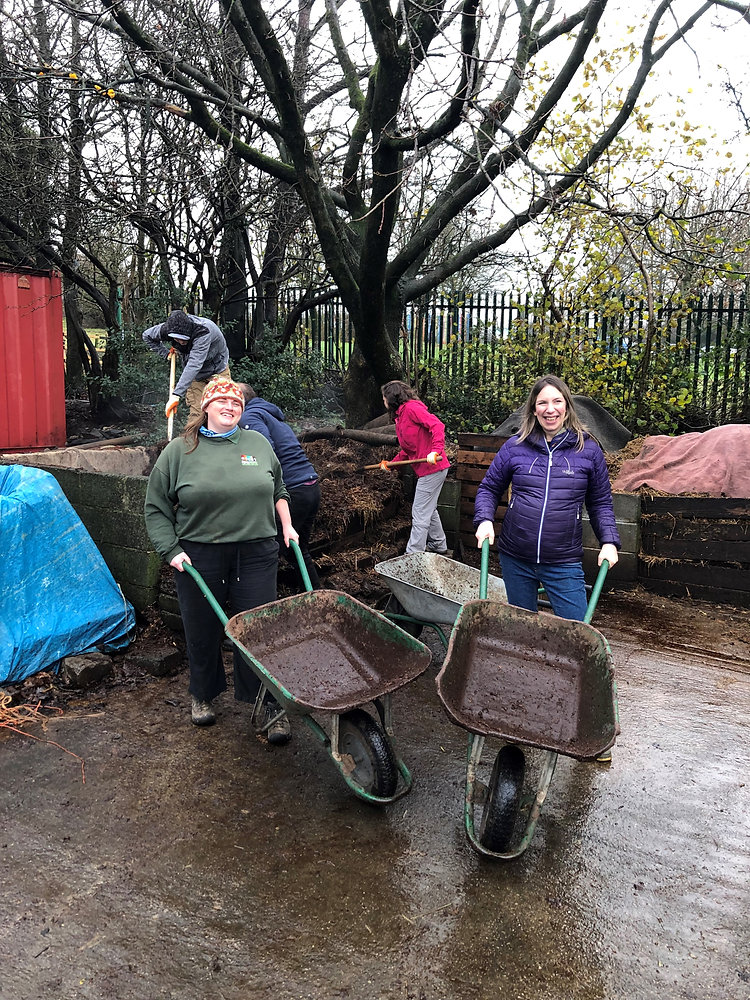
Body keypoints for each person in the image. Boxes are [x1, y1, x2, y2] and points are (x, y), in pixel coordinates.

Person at [144, 376, 299, 745]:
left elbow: (279, 488)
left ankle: (268, 703)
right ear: (207, 407)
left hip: (257, 551)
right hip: (199, 554)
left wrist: (288, 526)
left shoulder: (258, 443)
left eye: (236, 404)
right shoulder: (179, 451)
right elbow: (156, 508)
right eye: (223, 402)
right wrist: (171, 550)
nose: (230, 408)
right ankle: (202, 693)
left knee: (258, 630)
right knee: (201, 628)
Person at [473, 375, 620, 761]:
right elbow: (488, 488)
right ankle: (524, 708)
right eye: (542, 403)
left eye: (556, 402)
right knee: (522, 633)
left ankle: (592, 728)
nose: (549, 409)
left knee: (580, 637)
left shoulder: (588, 452)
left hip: (563, 561)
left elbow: (602, 503)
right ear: (533, 409)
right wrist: (485, 519)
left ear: (567, 406)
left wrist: (609, 540)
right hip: (516, 557)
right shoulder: (515, 447)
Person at [237, 384, 321, 590]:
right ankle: (315, 596)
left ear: (240, 401)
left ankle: (261, 601)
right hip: (310, 486)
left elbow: (265, 451)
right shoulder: (268, 414)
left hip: (291, 490)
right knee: (297, 550)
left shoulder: (249, 417)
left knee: (266, 551)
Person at [379, 380, 451, 555]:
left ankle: (412, 554)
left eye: (383, 397)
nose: (383, 401)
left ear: (391, 397)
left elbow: (437, 426)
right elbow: (408, 449)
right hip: (426, 470)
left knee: (419, 512)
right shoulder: (400, 417)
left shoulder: (412, 409)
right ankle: (439, 545)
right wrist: (391, 464)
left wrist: (435, 450)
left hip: (434, 468)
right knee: (428, 508)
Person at [142, 310, 231, 422]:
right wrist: (165, 353)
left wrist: (176, 395)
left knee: (223, 409)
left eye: (183, 338)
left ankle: (222, 438)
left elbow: (194, 364)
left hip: (218, 371)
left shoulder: (203, 331)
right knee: (197, 414)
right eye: (176, 338)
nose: (180, 341)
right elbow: (147, 336)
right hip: (195, 376)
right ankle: (192, 439)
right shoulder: (167, 329)